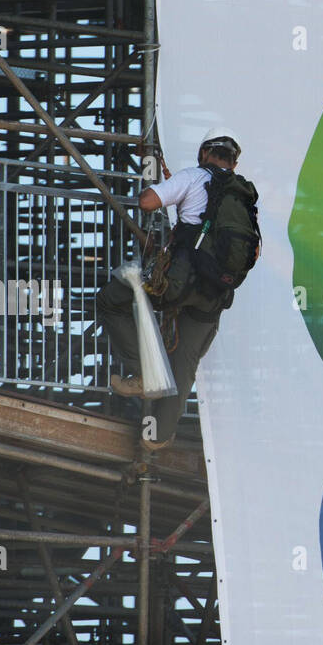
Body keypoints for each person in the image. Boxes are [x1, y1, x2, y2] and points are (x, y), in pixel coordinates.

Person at [96, 127, 259, 450]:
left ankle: (144, 373)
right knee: (184, 360)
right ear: (234, 163)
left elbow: (147, 202)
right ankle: (158, 435)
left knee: (111, 299)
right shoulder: (244, 197)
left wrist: (165, 187)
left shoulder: (195, 177)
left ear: (204, 154)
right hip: (216, 293)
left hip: (178, 282)